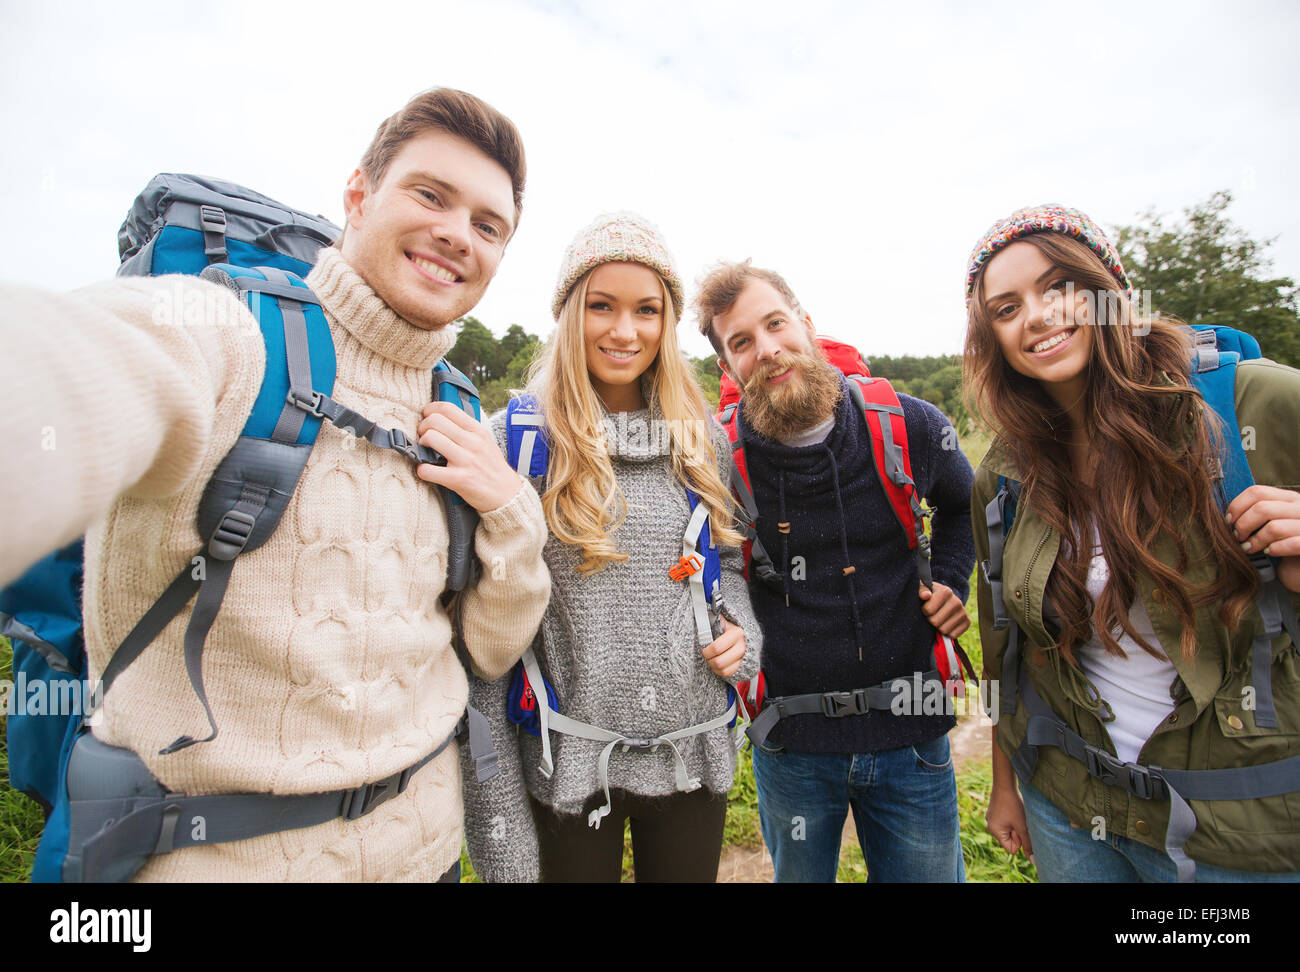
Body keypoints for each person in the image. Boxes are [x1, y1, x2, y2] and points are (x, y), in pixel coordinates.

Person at [0, 88, 551, 881]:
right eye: (431, 194)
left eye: (488, 224)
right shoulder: (228, 331)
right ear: (358, 195)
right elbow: (78, 370)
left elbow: (492, 649)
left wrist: (507, 508)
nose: (456, 234)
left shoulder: (458, 408)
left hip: (428, 857)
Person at [966, 203, 1300, 882]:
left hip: (1238, 831)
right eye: (1006, 308)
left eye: (1058, 287)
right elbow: (1005, 646)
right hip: (1069, 808)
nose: (1036, 316)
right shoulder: (1005, 474)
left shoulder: (1252, 403)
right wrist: (1007, 782)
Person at [461, 213, 762, 883]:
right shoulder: (512, 445)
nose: (625, 331)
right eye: (602, 306)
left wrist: (741, 636)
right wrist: (499, 831)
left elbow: (729, 565)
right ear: (571, 313)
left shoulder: (701, 441)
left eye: (647, 310)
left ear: (668, 323)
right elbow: (483, 647)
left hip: (692, 755)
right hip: (563, 767)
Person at [694, 260, 975, 883]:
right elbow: (710, 571)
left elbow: (965, 507)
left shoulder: (911, 425)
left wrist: (952, 578)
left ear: (807, 324)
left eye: (776, 323)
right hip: (790, 744)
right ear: (727, 367)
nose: (767, 350)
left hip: (911, 737)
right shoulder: (717, 460)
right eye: (741, 341)